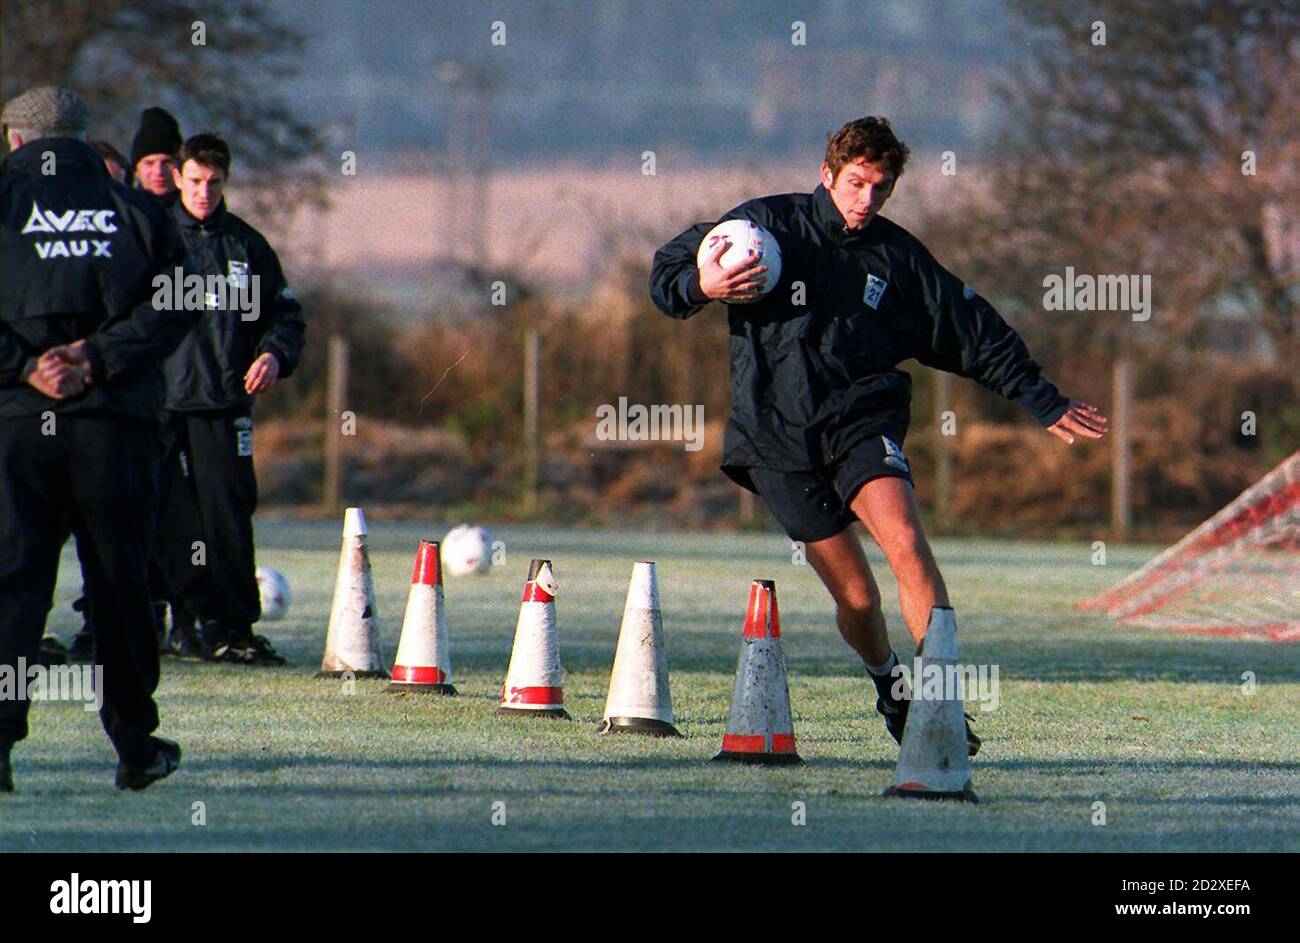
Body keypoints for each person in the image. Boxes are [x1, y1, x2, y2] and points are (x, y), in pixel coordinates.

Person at [649, 116, 1107, 753]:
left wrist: (1040, 397)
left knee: (908, 546)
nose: (867, 200)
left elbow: (971, 328)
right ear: (827, 173)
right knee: (859, 599)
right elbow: (666, 270)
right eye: (857, 183)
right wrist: (700, 285)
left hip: (863, 422)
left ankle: (940, 701)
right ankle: (890, 687)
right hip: (777, 439)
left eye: (881, 189)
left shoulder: (897, 258)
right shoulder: (761, 227)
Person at [0, 86, 192, 791]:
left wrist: (27, 365)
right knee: (119, 584)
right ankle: (135, 743)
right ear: (84, 139)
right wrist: (98, 358)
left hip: (18, 426)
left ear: (15, 141)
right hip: (115, 426)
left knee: (15, 584)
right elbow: (178, 304)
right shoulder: (136, 211)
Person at [152, 132, 305, 665]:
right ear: (177, 177)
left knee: (228, 517)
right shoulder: (150, 238)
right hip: (160, 406)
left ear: (227, 181)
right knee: (162, 517)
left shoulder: (246, 245)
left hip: (222, 406)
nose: (204, 192)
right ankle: (174, 620)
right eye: (194, 181)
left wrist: (273, 356)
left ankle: (233, 628)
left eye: (214, 183)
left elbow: (284, 317)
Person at [130, 106, 181, 199]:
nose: (159, 171)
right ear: (137, 171)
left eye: (167, 162)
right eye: (149, 163)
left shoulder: (198, 211)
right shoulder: (122, 210)